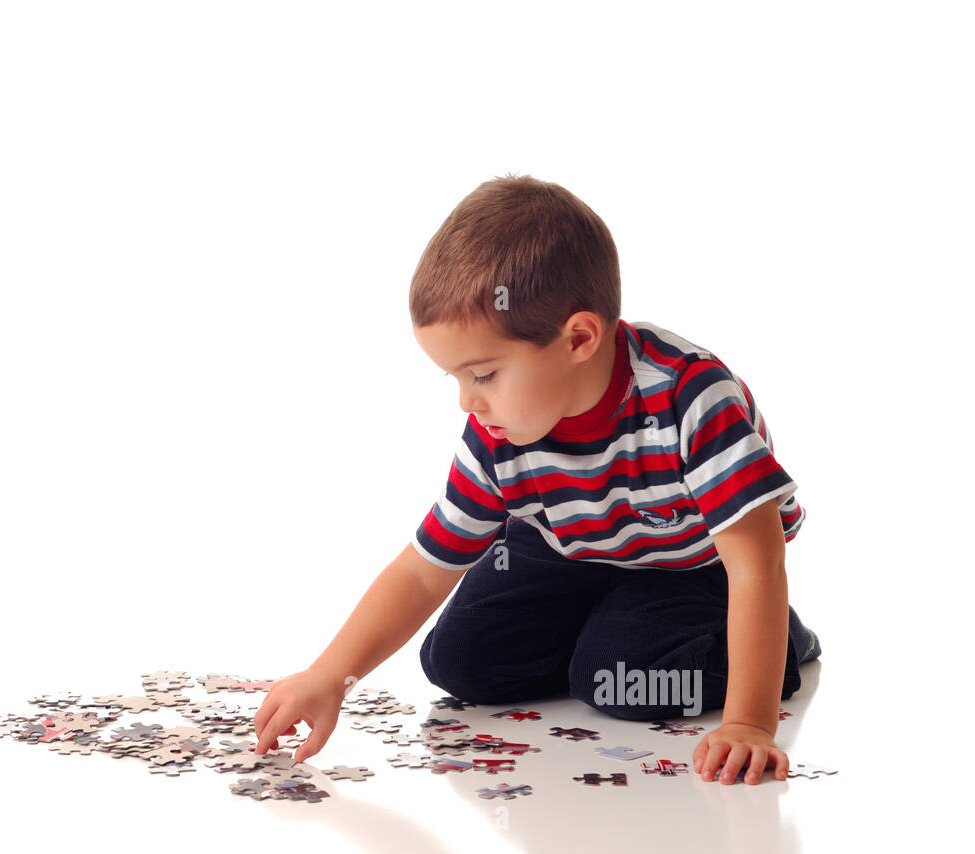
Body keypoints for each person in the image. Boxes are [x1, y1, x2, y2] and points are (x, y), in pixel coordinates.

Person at [252, 174, 820, 785]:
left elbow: (756, 560)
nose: (468, 402)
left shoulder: (688, 397)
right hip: (563, 544)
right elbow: (423, 569)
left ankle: (771, 642)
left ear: (578, 338)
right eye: (457, 379)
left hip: (689, 560)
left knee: (621, 680)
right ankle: (601, 629)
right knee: (460, 662)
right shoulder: (497, 436)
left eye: (484, 374)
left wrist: (750, 722)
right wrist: (329, 674)